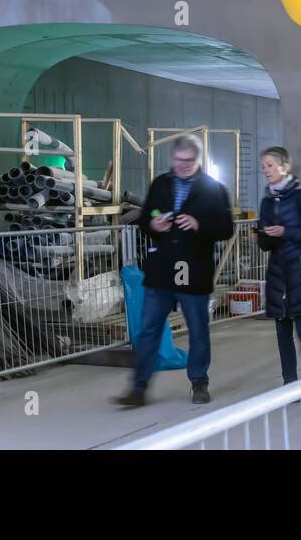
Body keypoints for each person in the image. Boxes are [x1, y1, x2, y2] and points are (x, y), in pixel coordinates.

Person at [116, 133, 233, 407]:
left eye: (189, 161)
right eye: (178, 160)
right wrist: (154, 225)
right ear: (172, 158)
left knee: (198, 330)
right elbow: (146, 218)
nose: (182, 165)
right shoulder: (160, 184)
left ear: (198, 160)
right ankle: (139, 387)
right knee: (148, 330)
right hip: (162, 271)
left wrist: (199, 224)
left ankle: (199, 382)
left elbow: (226, 228)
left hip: (195, 270)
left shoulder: (214, 189)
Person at [256, 146, 301, 385]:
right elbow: (264, 244)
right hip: (278, 274)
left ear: (284, 166)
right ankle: (290, 382)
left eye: (270, 165)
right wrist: (264, 235)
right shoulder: (267, 202)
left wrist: (286, 232)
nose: (265, 170)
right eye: (263, 166)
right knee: (282, 332)